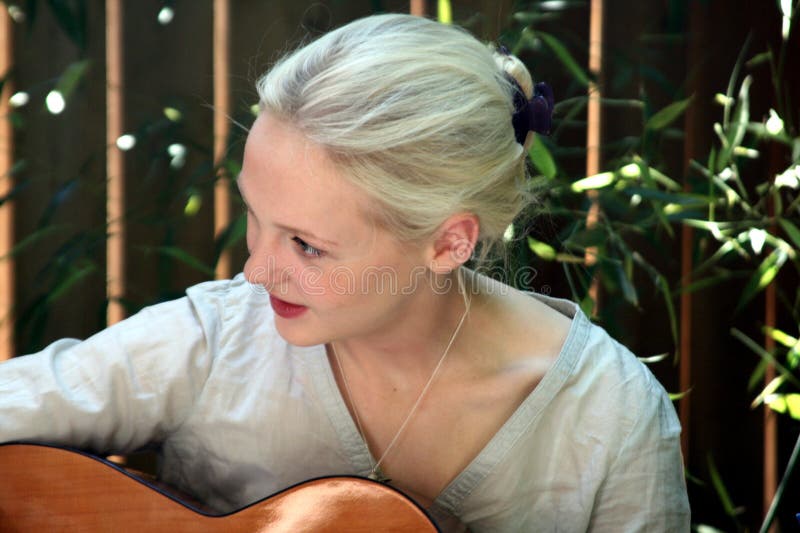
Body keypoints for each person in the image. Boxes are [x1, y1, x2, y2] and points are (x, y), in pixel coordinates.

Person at [0, 13, 690, 531]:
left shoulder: (611, 421)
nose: (254, 271)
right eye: (254, 216)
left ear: (449, 243)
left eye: (305, 244)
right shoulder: (214, 340)